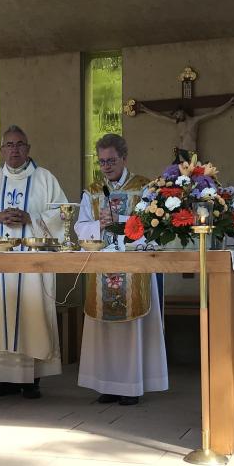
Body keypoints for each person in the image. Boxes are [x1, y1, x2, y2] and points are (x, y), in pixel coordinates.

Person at [0, 125, 67, 398]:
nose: (15, 149)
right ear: (2, 150)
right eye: (9, 145)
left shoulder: (45, 179)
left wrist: (31, 218)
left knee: (31, 316)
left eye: (20, 144)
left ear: (28, 149)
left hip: (33, 266)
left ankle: (32, 379)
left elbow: (62, 215)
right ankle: (4, 380)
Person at [75, 134, 168, 405]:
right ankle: (108, 384)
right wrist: (100, 225)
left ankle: (131, 386)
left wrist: (121, 219)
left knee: (131, 331)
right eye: (102, 161)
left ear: (124, 159)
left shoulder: (144, 188)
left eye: (111, 161)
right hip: (102, 268)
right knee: (105, 330)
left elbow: (154, 227)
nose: (106, 166)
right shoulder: (93, 191)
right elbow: (80, 228)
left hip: (134, 269)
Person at [138, 96, 234, 153]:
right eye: (176, 115)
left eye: (177, 114)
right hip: (181, 151)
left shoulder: (195, 120)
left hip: (192, 152)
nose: (177, 116)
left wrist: (229, 103)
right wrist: (145, 109)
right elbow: (160, 116)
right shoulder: (177, 122)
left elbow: (213, 112)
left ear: (182, 111)